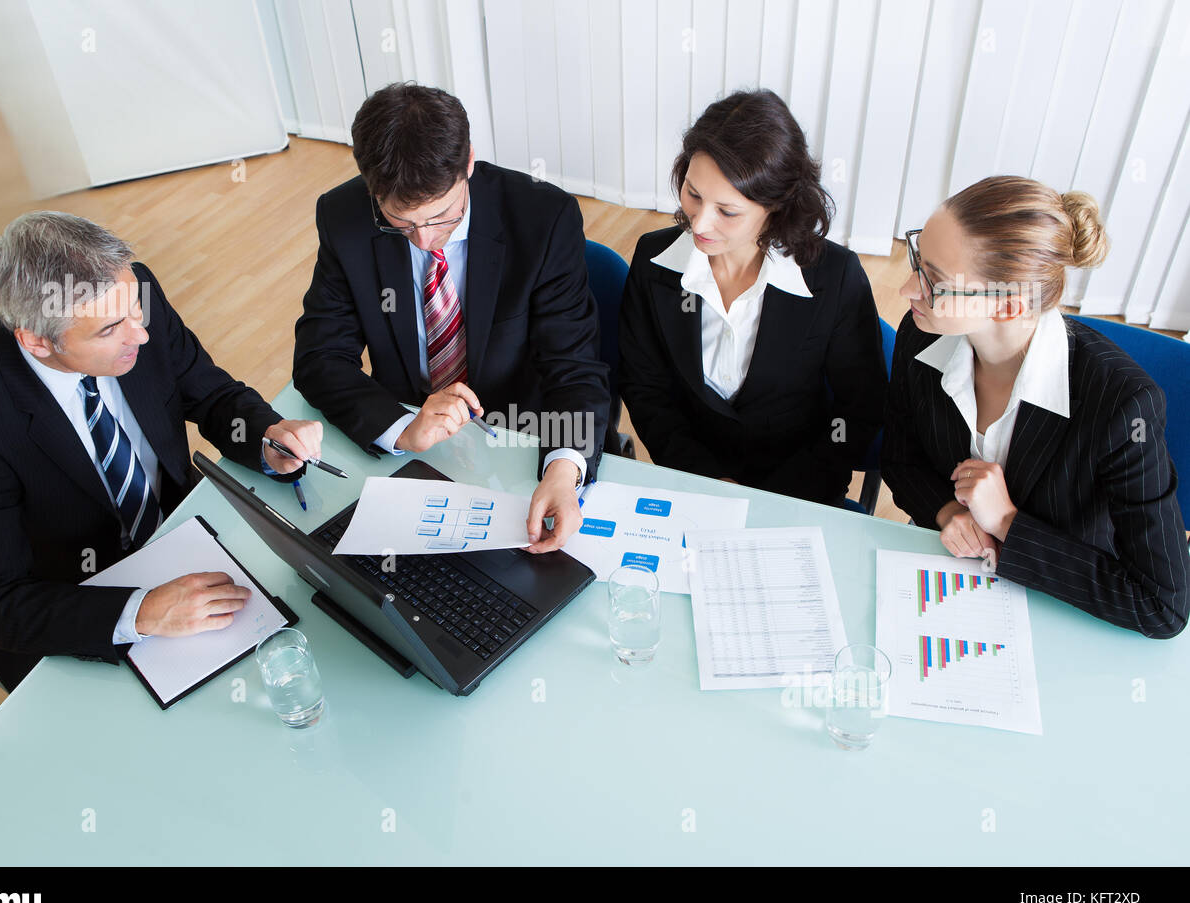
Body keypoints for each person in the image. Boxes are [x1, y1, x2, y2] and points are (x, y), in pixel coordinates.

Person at [0, 211, 326, 689]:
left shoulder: (130, 295)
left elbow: (210, 393)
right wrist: (142, 611)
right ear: (36, 342)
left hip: (185, 532)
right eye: (111, 328)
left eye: (136, 310)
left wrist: (265, 437)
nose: (142, 333)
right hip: (81, 604)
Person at [292, 82, 610, 552]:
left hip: (520, 439)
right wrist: (402, 428)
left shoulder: (544, 216)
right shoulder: (343, 216)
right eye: (400, 222)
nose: (423, 240)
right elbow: (320, 357)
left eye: (441, 216)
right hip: (412, 443)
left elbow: (575, 368)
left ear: (469, 165)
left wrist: (563, 470)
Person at [882, 175, 1189, 638]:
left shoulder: (1124, 407)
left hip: (1066, 604)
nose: (907, 289)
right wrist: (950, 513)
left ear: (1008, 306)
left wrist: (1006, 522)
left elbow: (1162, 606)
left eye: (935, 281)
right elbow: (900, 458)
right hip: (945, 583)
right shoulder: (922, 331)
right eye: (917, 260)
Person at [617, 89, 886, 505]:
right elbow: (646, 389)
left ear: (776, 207)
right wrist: (708, 481)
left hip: (800, 493)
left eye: (727, 211)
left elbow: (858, 412)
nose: (700, 222)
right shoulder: (654, 260)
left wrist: (774, 499)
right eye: (693, 193)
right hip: (692, 483)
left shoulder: (835, 278)